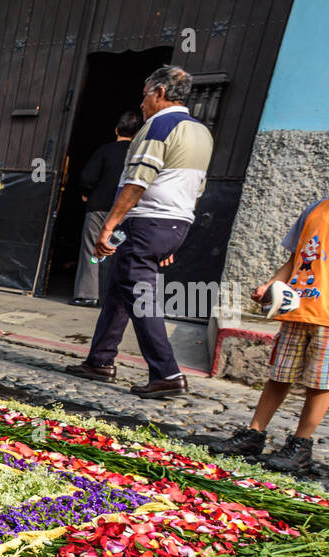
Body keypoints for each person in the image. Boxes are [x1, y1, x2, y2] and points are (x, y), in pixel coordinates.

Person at [206, 126, 329, 473]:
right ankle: (254, 433)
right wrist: (270, 285)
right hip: (297, 310)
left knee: (322, 383)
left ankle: (301, 444)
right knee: (279, 374)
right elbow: (294, 259)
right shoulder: (318, 208)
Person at [66, 66, 213, 398]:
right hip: (174, 222)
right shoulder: (201, 132)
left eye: (145, 94)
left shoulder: (159, 125)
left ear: (159, 93)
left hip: (147, 220)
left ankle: (166, 373)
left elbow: (138, 179)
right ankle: (100, 360)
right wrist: (173, 237)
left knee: (142, 299)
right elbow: (197, 188)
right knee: (120, 289)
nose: (143, 102)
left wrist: (109, 224)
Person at [72, 111, 143, 307]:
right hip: (125, 209)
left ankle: (88, 294)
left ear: (116, 130)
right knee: (116, 249)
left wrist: (86, 192)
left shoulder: (105, 150)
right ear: (137, 134)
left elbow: (87, 177)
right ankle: (109, 295)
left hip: (99, 207)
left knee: (92, 250)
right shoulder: (138, 155)